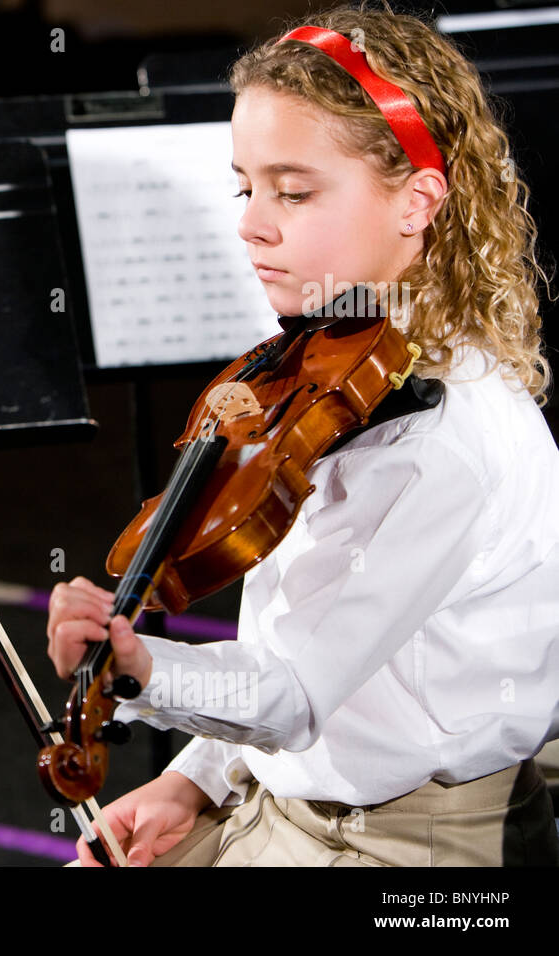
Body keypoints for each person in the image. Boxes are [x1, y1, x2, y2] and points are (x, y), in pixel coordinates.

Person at [48, 3, 559, 867]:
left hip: (410, 844)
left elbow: (291, 691)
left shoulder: (439, 444)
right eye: (245, 187)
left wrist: (139, 669)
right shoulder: (331, 366)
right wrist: (196, 779)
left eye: (293, 191)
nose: (252, 223)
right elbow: (297, 646)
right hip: (282, 791)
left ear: (417, 201)